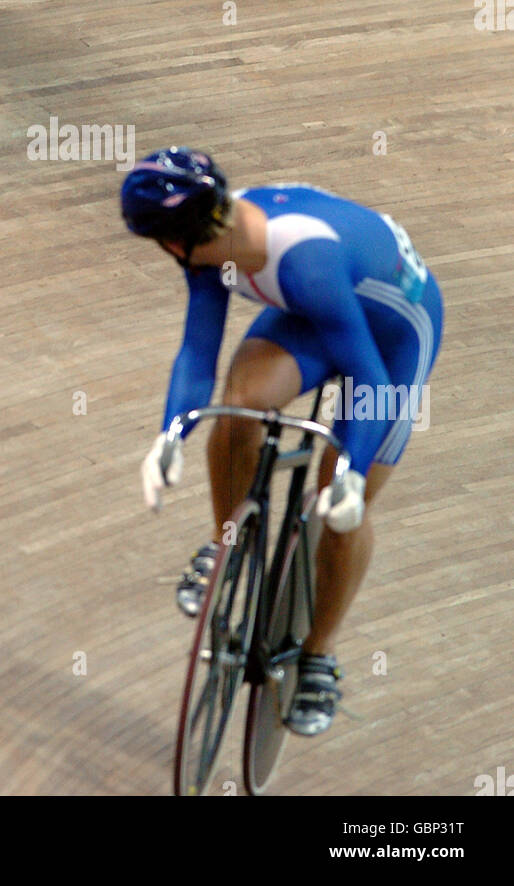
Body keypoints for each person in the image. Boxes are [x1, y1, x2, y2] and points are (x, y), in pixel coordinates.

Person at [120, 147, 444, 736]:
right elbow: (199, 352)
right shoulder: (212, 240)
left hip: (395, 334)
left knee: (339, 507)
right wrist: (172, 434)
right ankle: (226, 545)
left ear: (173, 242)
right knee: (239, 404)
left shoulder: (302, 261)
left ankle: (319, 654)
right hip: (323, 309)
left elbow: (371, 376)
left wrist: (352, 471)